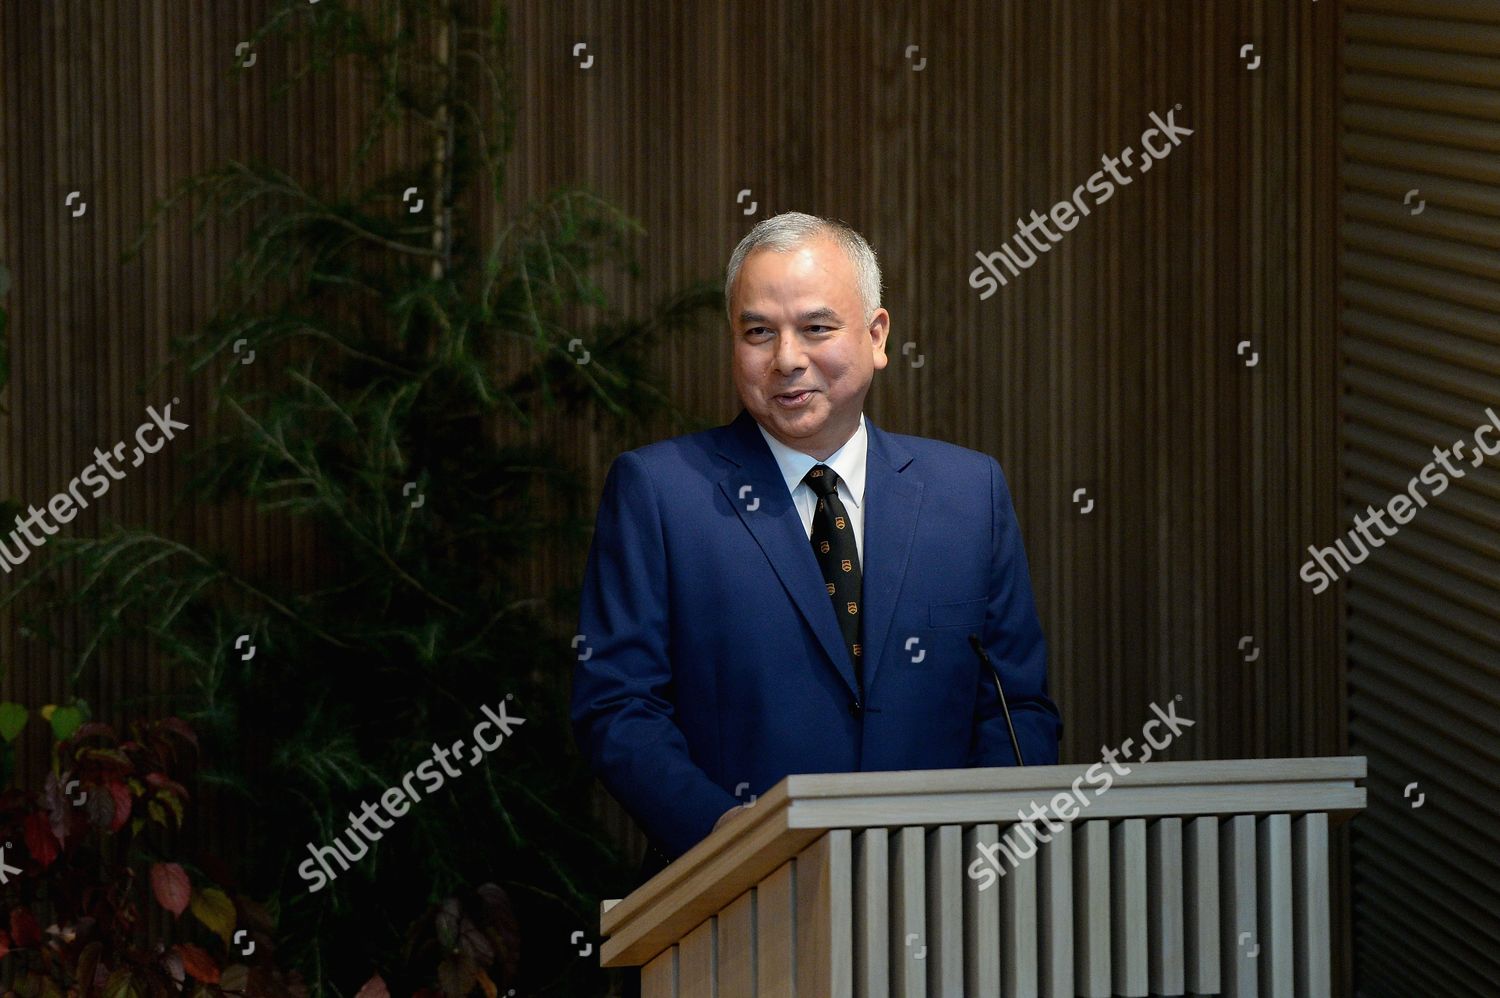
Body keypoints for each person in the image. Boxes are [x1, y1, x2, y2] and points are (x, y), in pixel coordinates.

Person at [570, 214, 1061, 989]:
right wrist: (727, 836)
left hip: (945, 924)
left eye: (816, 327)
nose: (788, 359)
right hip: (732, 918)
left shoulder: (971, 495)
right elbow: (616, 707)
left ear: (876, 334)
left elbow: (1018, 709)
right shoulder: (661, 492)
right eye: (757, 332)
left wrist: (980, 845)